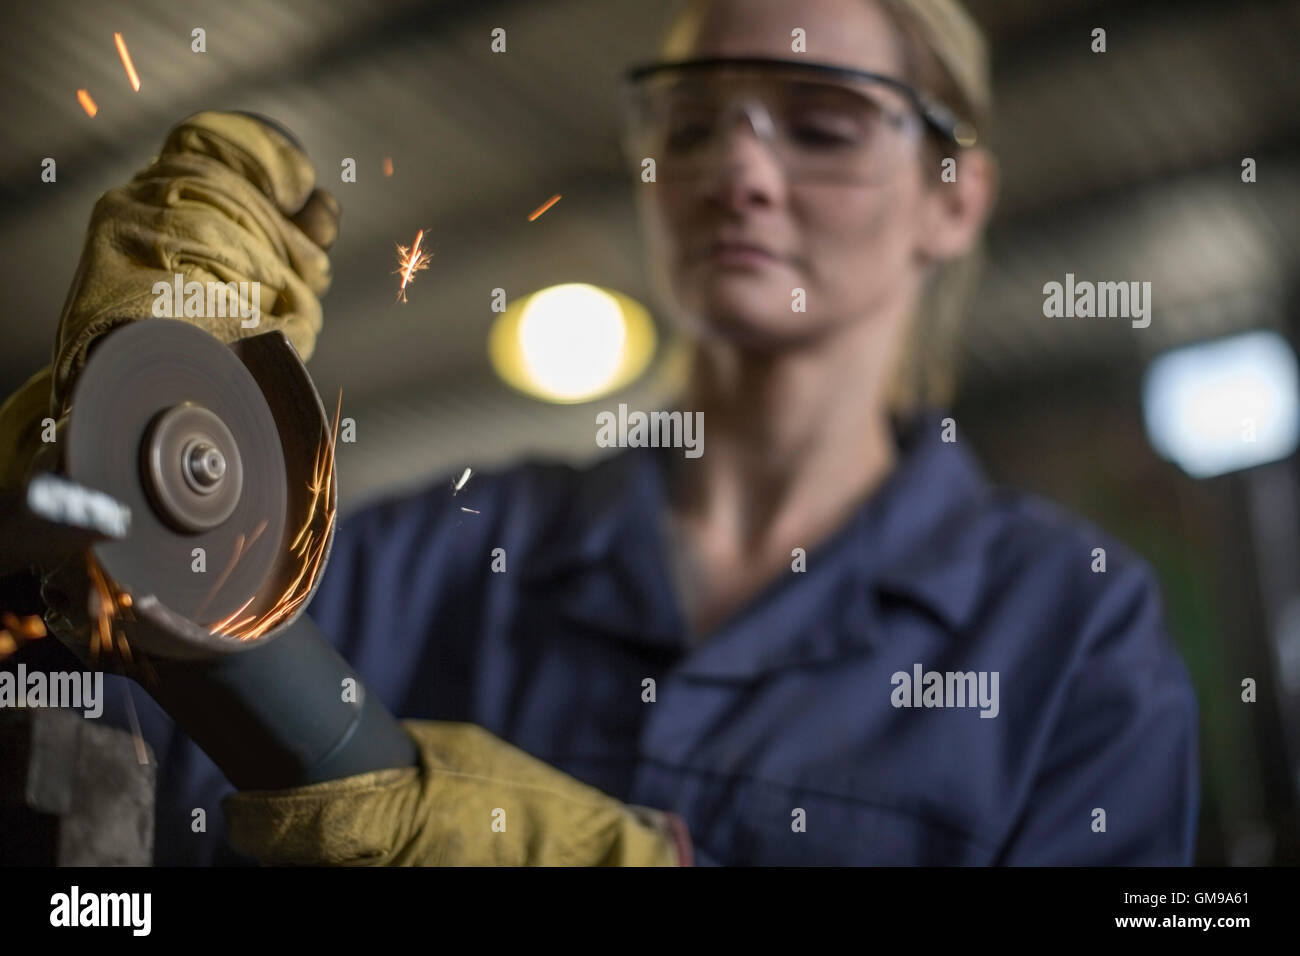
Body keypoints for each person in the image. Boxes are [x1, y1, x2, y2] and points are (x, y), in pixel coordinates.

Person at [2, 0, 1199, 865]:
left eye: (821, 122)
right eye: (693, 125)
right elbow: (87, 772)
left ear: (953, 195)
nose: (738, 168)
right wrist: (91, 449)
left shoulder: (1073, 638)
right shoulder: (429, 557)